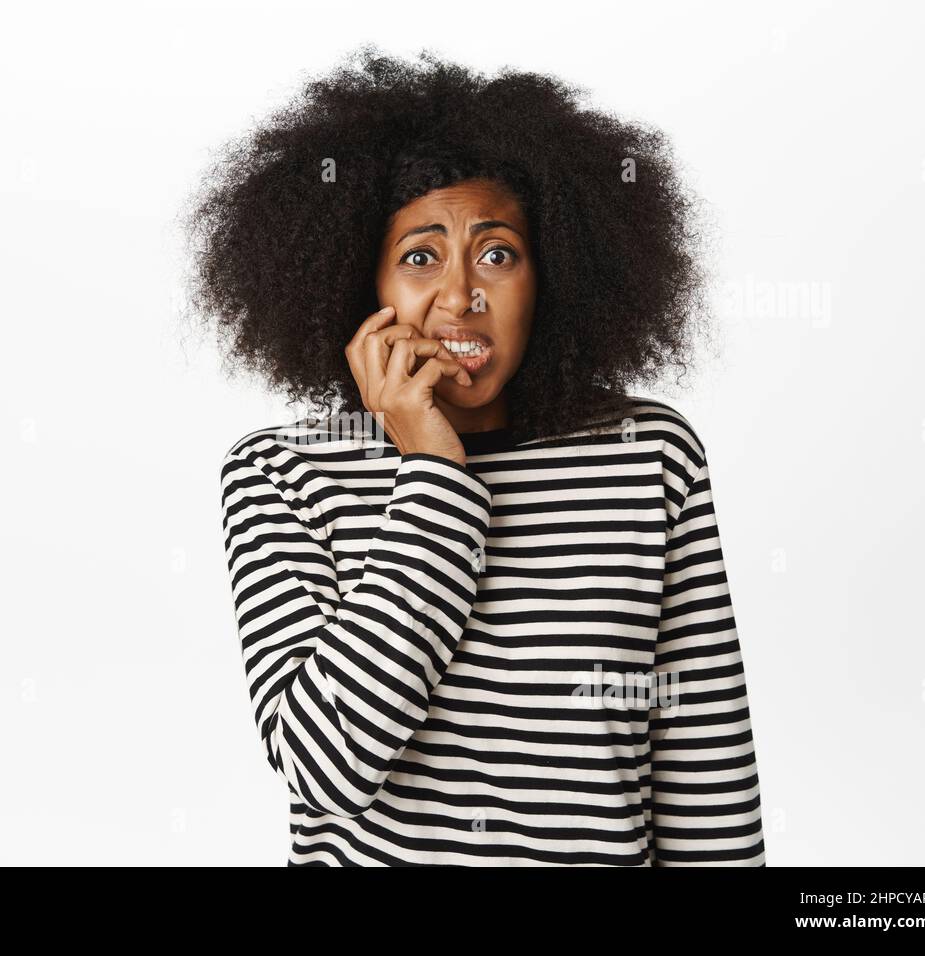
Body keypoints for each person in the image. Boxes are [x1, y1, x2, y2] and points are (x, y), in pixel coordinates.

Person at [189, 46, 765, 866]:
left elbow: (707, 778)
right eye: (421, 256)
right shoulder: (282, 475)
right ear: (365, 288)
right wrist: (431, 468)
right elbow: (324, 767)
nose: (461, 294)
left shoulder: (648, 457)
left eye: (498, 254)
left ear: (553, 278)